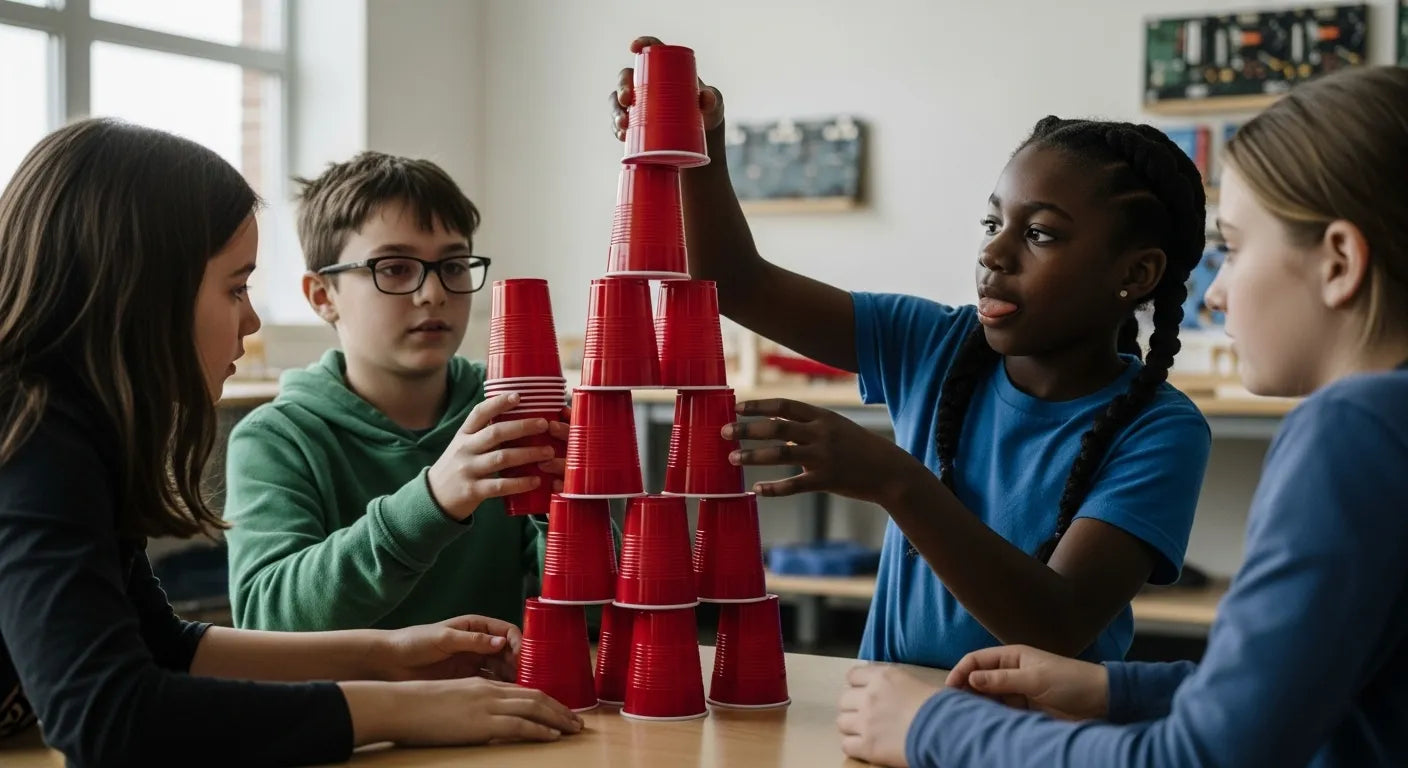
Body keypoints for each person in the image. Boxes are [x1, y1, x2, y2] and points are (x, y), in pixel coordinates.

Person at [837, 65, 1408, 768]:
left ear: (1340, 261)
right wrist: (1111, 690)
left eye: (1232, 248)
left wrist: (931, 726)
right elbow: (1313, 691)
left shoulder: (1358, 429)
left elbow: (1201, 757)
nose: (1219, 293)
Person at [611, 37, 1212, 669]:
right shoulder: (935, 345)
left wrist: (896, 481)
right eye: (992, 224)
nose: (993, 254)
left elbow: (1057, 624)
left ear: (1138, 273)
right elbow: (731, 281)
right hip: (887, 723)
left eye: (1038, 234)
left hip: (1039, 741)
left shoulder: (1161, 430)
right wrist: (702, 139)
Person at [0, 120, 580, 766]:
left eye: (451, 265)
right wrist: (403, 709)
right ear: (141, 291)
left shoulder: (75, 432)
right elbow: (108, 719)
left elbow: (163, 645)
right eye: (234, 287)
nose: (250, 320)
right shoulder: (32, 438)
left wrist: (390, 656)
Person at [223, 151, 560, 631]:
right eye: (395, 268)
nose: (433, 293)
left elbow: (596, 617)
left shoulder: (510, 415)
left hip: (488, 702)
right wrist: (432, 502)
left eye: (454, 265)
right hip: (350, 707)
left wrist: (568, 508)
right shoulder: (276, 439)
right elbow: (266, 619)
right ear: (323, 296)